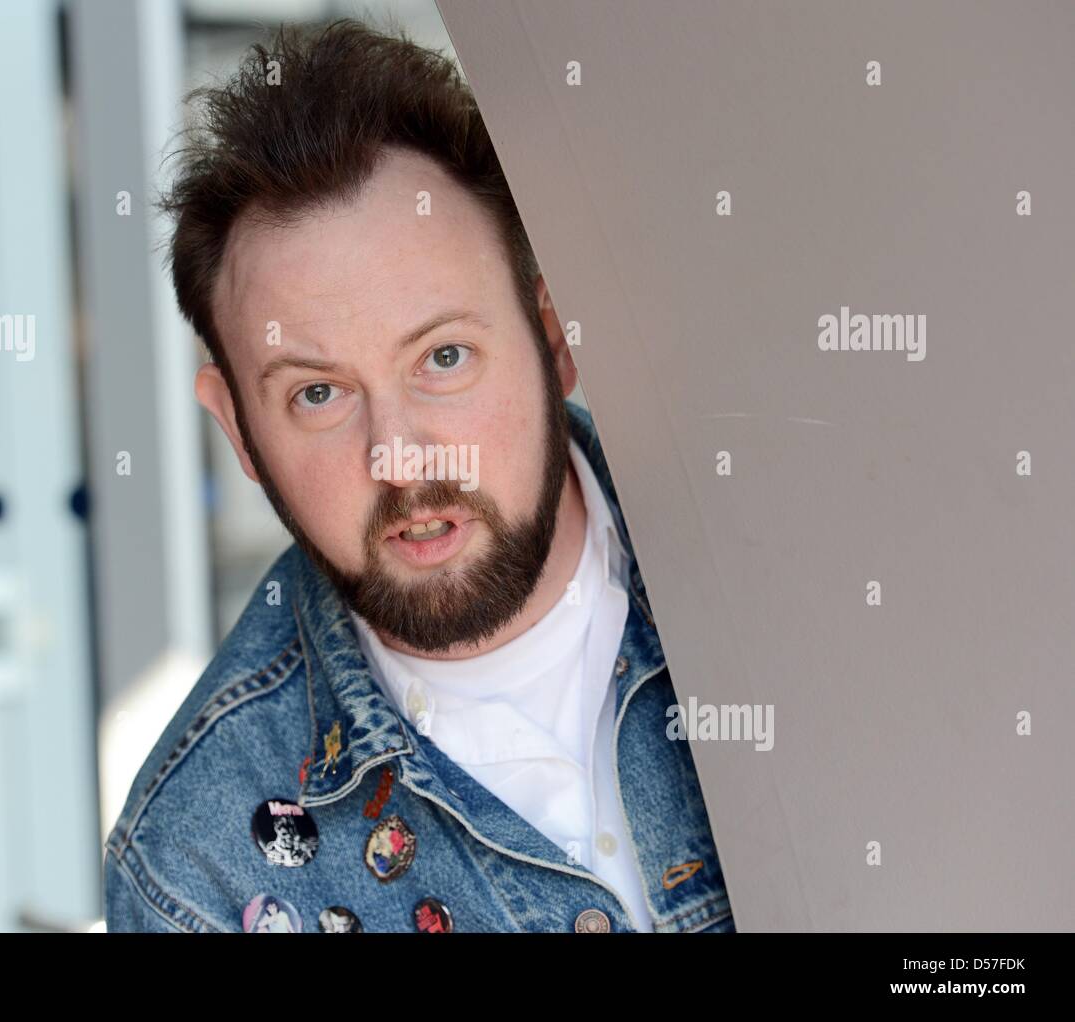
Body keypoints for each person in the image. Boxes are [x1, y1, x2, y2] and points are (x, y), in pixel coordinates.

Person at [104, 17, 734, 934]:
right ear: (239, 430)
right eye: (319, 393)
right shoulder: (198, 869)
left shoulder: (778, 574)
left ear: (554, 335)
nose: (398, 455)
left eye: (443, 357)